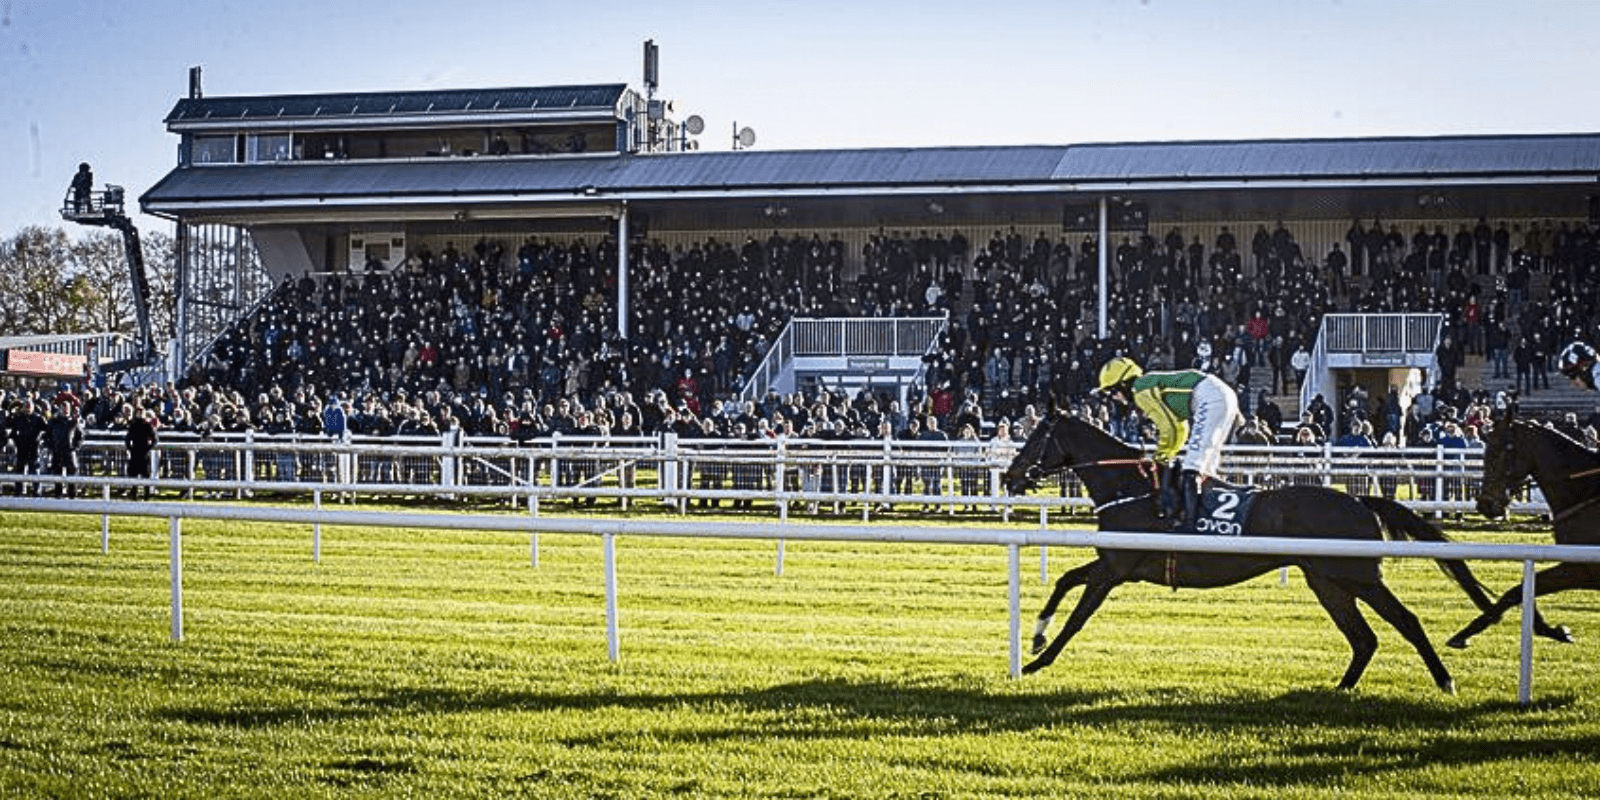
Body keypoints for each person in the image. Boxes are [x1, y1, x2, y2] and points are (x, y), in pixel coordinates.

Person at [1097, 355, 1241, 530]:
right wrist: (1166, 455)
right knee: (1206, 470)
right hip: (1220, 394)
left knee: (1192, 469)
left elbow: (1168, 428)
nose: (1114, 398)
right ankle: (1209, 521)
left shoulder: (1140, 390)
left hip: (1211, 397)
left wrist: (1161, 456)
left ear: (1124, 383)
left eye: (1112, 391)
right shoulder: (1148, 385)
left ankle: (1190, 526)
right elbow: (1180, 429)